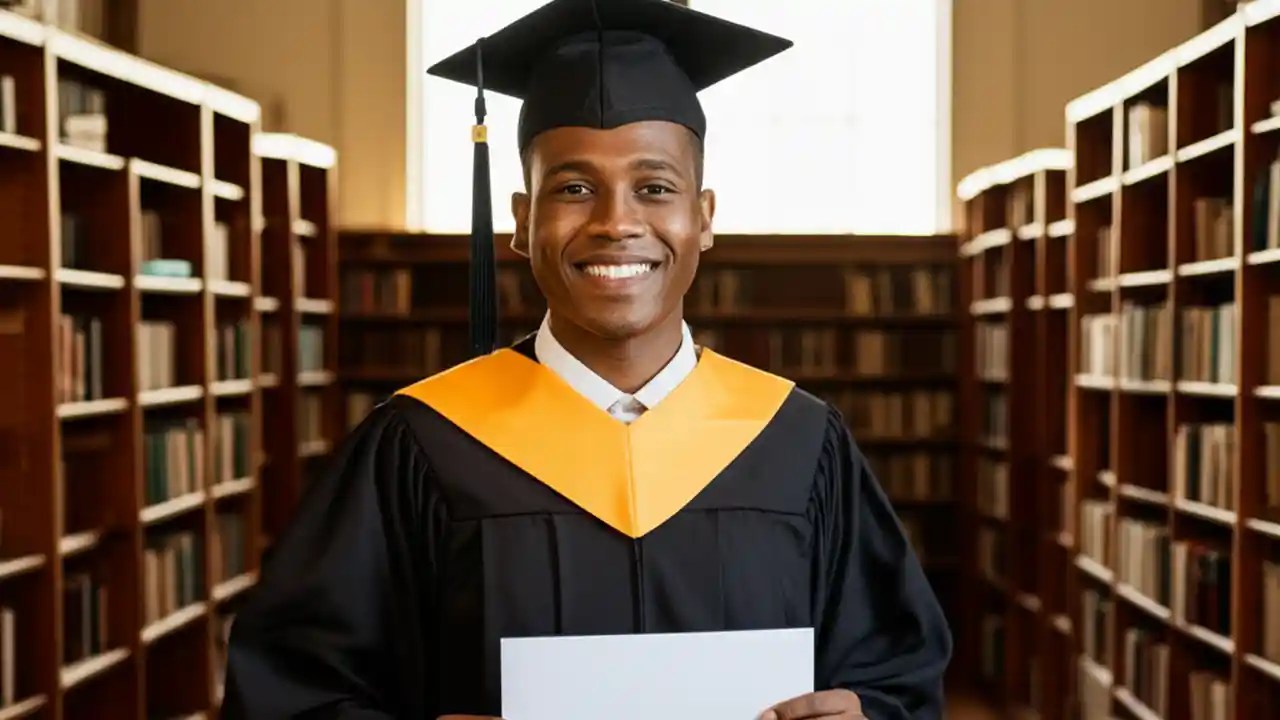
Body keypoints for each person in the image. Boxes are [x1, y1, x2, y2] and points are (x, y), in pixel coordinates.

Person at [222, 0, 953, 718]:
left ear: (703, 219)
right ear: (521, 220)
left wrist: (863, 713)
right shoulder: (424, 443)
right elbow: (292, 691)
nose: (615, 223)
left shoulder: (797, 442)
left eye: (655, 188)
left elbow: (898, 675)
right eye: (573, 188)